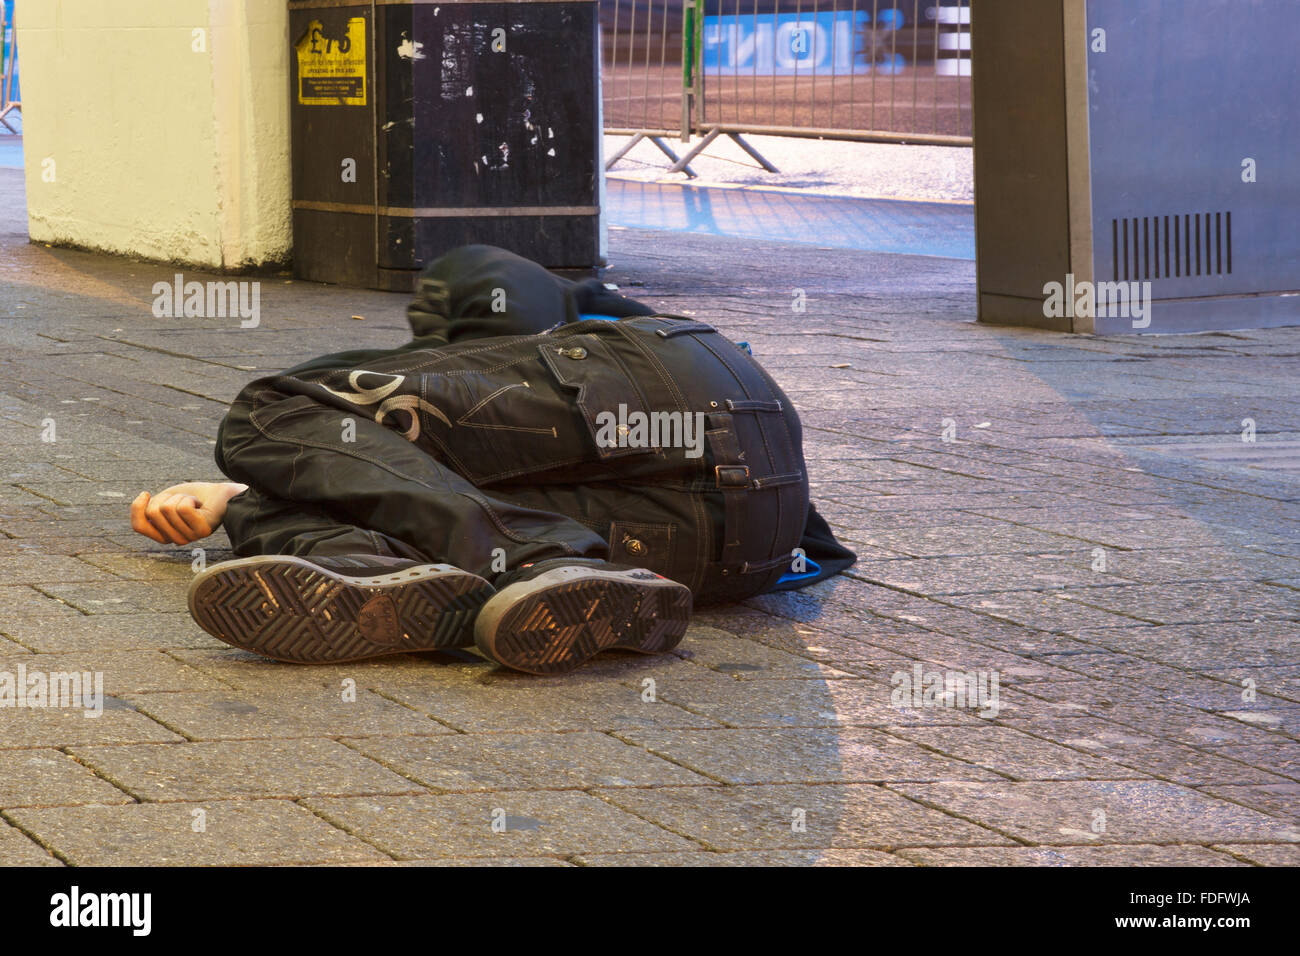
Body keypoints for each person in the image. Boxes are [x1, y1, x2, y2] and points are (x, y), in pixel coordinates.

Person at [130, 245, 855, 674]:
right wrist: (239, 503)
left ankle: (538, 557)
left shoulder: (484, 282)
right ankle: (411, 580)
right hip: (741, 543)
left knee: (267, 411)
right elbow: (390, 471)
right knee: (365, 496)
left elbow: (311, 402)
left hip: (661, 392)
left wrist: (244, 479)